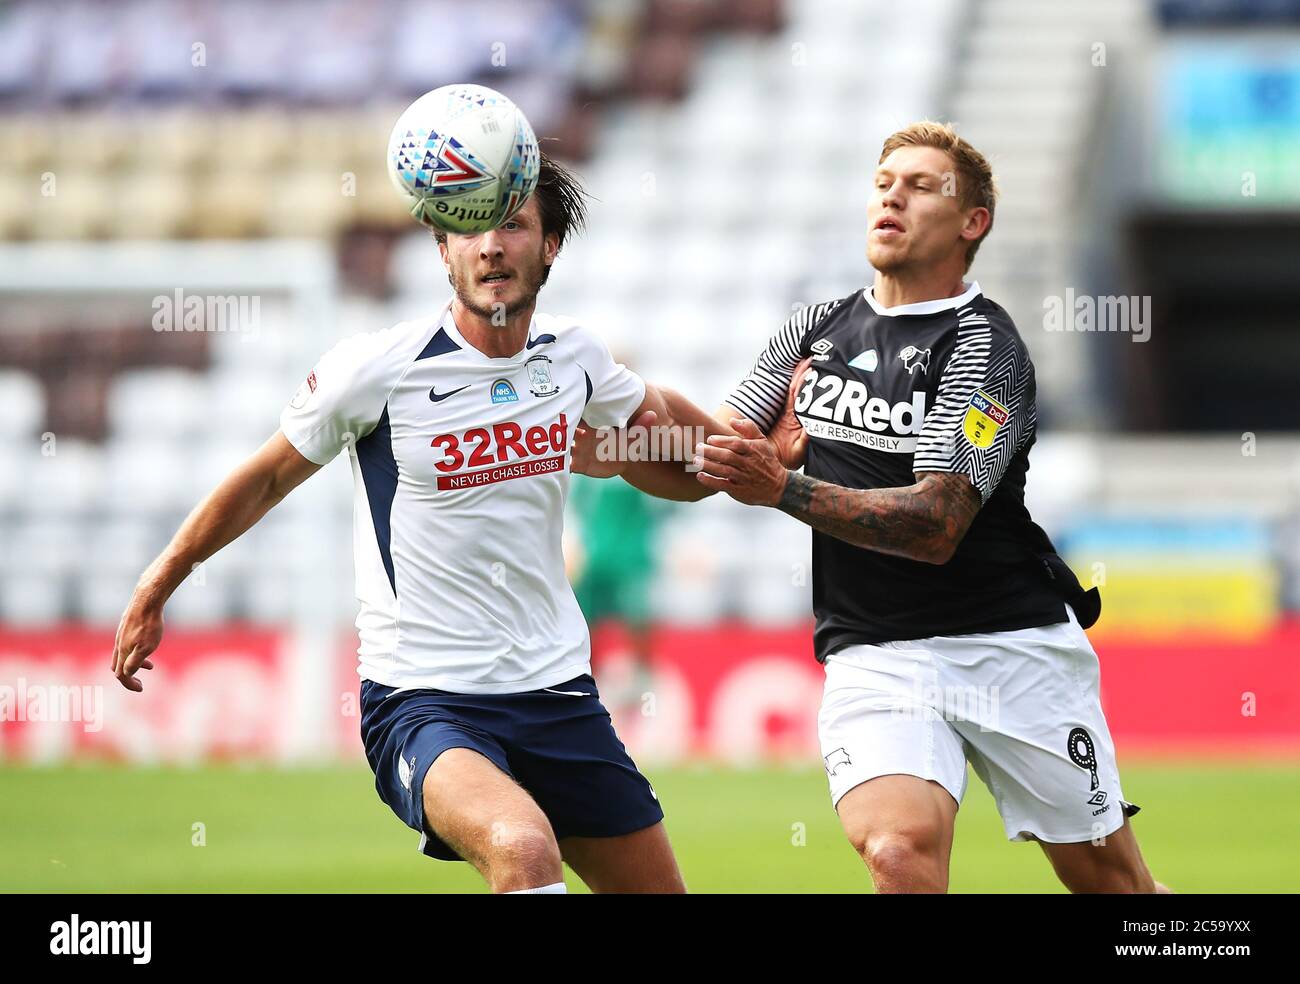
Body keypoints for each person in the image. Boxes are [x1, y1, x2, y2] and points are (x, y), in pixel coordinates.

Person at [110, 154, 726, 894]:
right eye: (469, 228)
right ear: (442, 249)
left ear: (550, 245)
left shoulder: (575, 359)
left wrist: (745, 459)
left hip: (559, 693)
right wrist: (158, 583)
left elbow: (670, 459)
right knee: (523, 849)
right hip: (426, 698)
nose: (490, 244)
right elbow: (267, 476)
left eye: (513, 224)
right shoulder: (379, 369)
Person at [599, 122, 1170, 894]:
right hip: (875, 651)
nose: (892, 193)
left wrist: (784, 488)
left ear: (974, 223)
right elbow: (718, 460)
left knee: (1114, 886)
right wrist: (611, 440)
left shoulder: (986, 349)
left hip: (1010, 642)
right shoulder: (815, 331)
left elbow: (936, 524)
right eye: (882, 181)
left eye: (921, 183)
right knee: (897, 852)